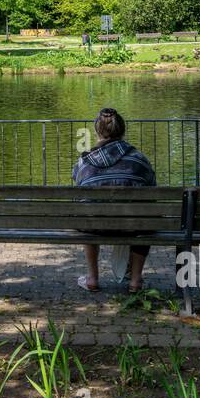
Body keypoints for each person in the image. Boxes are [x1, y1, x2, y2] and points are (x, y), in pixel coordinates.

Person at [72, 107, 157, 292]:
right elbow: (152, 190)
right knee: (146, 218)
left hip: (93, 225)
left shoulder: (84, 161)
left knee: (88, 212)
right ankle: (135, 281)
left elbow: (78, 186)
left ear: (97, 132)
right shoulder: (140, 160)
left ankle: (92, 278)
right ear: (123, 132)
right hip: (132, 225)